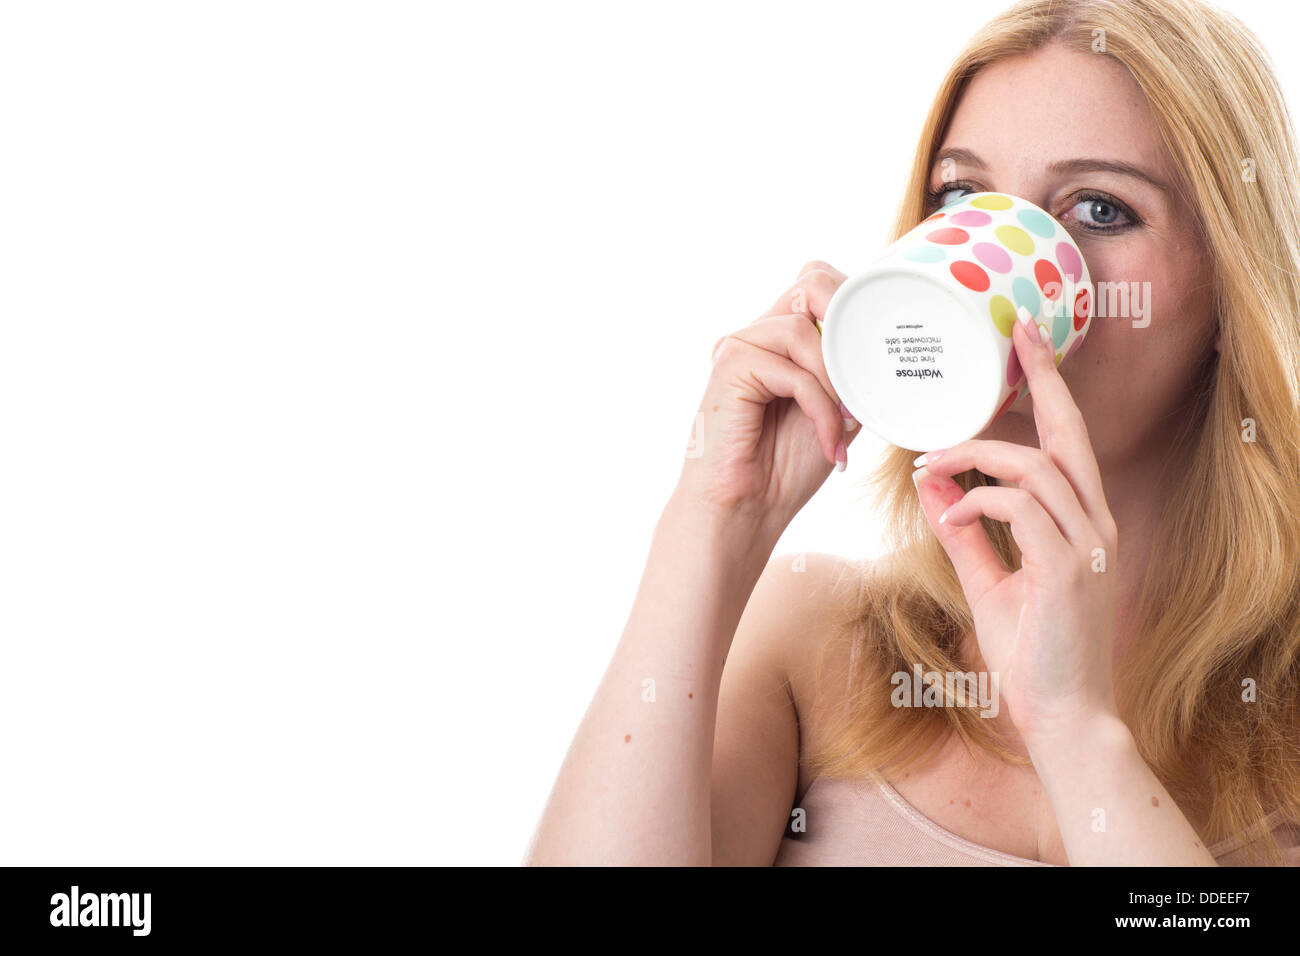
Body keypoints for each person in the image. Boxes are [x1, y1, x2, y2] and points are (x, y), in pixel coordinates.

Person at [524, 0, 1300, 866]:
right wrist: (712, 522)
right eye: (964, 196)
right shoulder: (818, 643)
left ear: (1233, 291)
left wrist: (1076, 732)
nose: (999, 268)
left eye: (1101, 210)